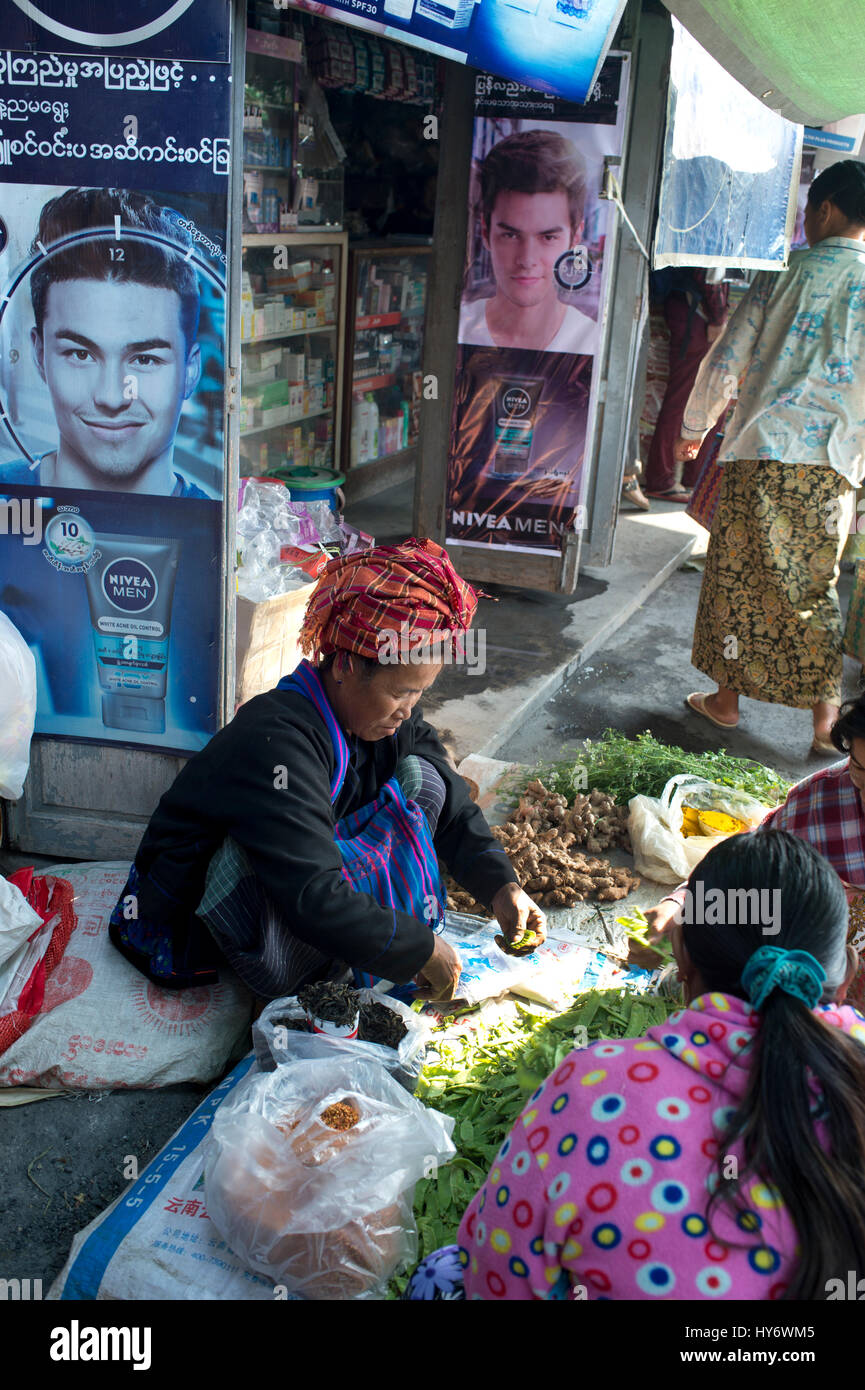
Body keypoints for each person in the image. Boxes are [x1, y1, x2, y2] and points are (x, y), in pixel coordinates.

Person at [405, 830, 865, 1300]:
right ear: (847, 976)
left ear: (680, 959)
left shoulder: (590, 1090)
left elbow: (496, 1277)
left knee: (440, 1278)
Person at [109, 538, 545, 1001]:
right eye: (400, 693)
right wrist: (415, 948)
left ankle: (357, 939)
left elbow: (454, 804)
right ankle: (297, 965)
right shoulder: (276, 744)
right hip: (194, 908)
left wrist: (500, 885)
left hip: (302, 861)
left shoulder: (387, 720)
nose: (408, 709)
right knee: (300, 891)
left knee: (427, 778)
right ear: (348, 667)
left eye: (419, 693)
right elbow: (312, 893)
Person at [675, 159, 865, 754]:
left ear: (827, 209)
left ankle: (728, 701)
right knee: (814, 586)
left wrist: (695, 424)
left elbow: (729, 354)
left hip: (761, 448)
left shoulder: (785, 271)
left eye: (809, 207)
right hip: (834, 462)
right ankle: (824, 725)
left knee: (738, 579)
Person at [0, 187, 209, 498]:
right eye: (81, 354)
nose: (112, 397)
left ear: (190, 371)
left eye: (145, 359)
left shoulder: (218, 532)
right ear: (40, 354)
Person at [459, 130, 597, 355]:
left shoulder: (594, 343)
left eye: (548, 237)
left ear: (575, 238)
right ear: (485, 232)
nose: (527, 259)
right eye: (511, 235)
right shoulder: (455, 331)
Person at [643, 267, 728, 500]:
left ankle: (692, 478)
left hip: (693, 309)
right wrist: (718, 317)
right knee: (686, 397)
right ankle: (663, 478)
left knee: (700, 398)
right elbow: (711, 272)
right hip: (697, 312)